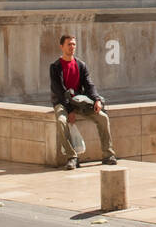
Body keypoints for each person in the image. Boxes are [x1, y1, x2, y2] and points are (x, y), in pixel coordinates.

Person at [49, 34, 116, 169]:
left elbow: (89, 85)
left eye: (74, 44)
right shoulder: (55, 67)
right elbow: (59, 91)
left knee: (103, 117)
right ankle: (72, 157)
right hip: (62, 103)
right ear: (61, 47)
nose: (72, 47)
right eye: (69, 44)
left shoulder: (81, 65)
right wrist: (70, 110)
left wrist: (97, 100)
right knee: (62, 121)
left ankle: (108, 155)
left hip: (79, 102)